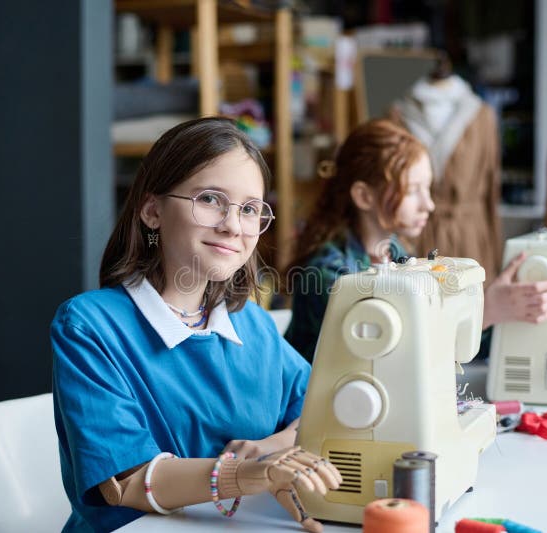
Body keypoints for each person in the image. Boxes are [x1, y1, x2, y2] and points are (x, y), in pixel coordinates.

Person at [51, 117, 341, 533]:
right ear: (152, 211)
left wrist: (272, 449)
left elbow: (323, 411)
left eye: (249, 209)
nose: (232, 225)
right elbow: (126, 483)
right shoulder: (89, 325)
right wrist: (251, 472)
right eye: (209, 199)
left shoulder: (253, 325)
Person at [285, 119, 547, 363]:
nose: (428, 205)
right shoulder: (329, 274)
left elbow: (452, 346)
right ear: (364, 197)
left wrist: (503, 311)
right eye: (413, 191)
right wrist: (488, 311)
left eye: (427, 189)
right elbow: (391, 356)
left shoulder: (395, 253)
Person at [392, 53, 502, 280]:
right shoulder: (398, 116)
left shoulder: (482, 116)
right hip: (417, 239)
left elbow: (491, 189)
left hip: (469, 238)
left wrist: (495, 251)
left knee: (471, 298)